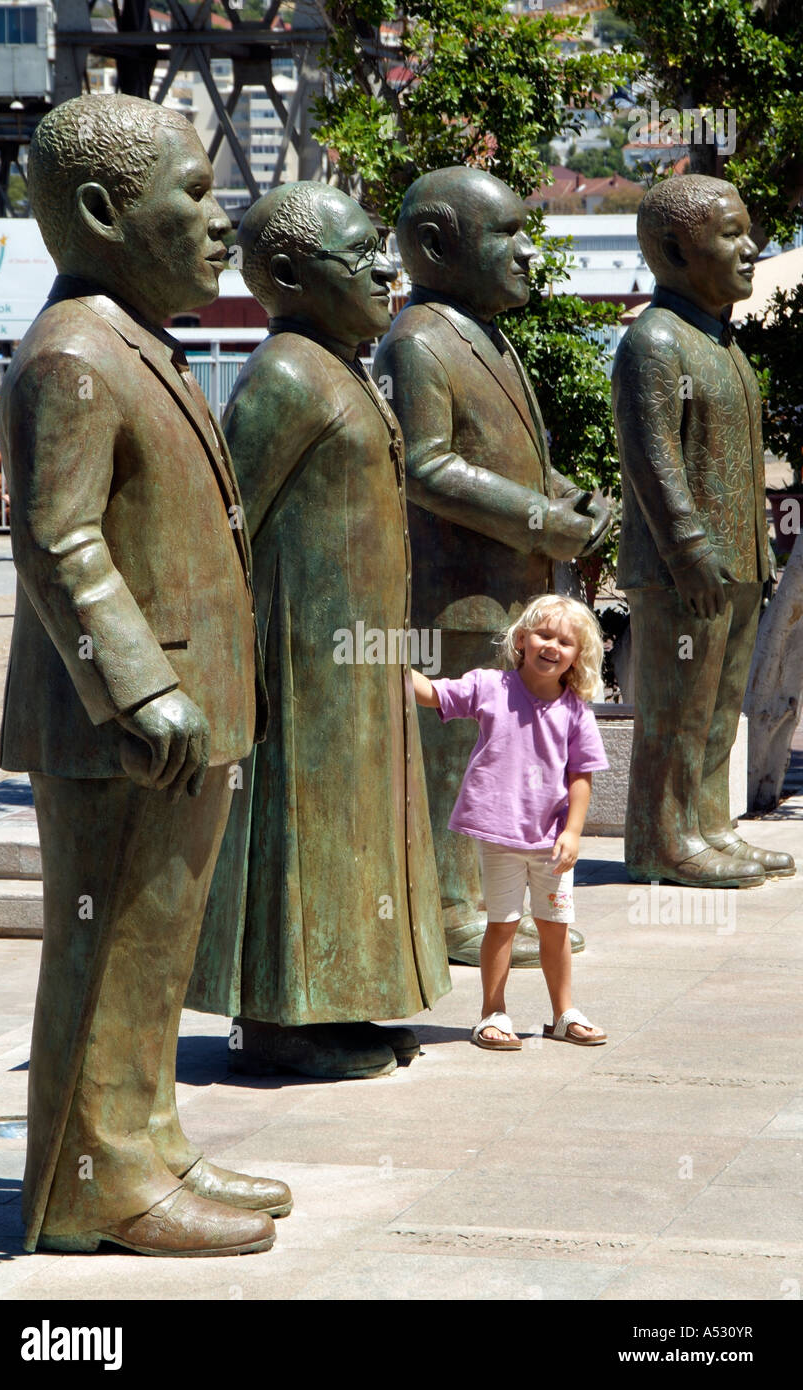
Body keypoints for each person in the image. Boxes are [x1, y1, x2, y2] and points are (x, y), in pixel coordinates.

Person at [0, 93, 288, 1257]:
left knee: (155, 947)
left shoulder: (133, 338)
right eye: (196, 194)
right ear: (104, 211)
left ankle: (146, 1136)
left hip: (183, 712)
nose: (222, 223)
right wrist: (135, 686)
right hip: (123, 721)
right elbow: (57, 539)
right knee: (106, 936)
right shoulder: (72, 353)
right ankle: (87, 1180)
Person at [187, 182, 451, 1080]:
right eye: (360, 259)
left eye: (385, 251)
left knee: (351, 829)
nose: (386, 271)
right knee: (302, 829)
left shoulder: (340, 365)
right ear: (293, 275)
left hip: (356, 651)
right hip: (298, 657)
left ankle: (333, 1000)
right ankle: (278, 1020)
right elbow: (229, 526)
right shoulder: (288, 374)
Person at [374, 166, 611, 968]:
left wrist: (565, 497)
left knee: (500, 758)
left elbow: (508, 459)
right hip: (457, 599)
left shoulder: (486, 337)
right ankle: (448, 907)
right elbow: (428, 468)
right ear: (438, 245)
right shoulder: (417, 340)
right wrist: (545, 521)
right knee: (456, 762)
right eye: (506, 232)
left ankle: (485, 902)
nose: (526, 251)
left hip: (507, 595)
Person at [613, 175, 794, 887]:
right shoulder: (655, 342)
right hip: (680, 567)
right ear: (673, 250)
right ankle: (663, 839)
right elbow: (649, 456)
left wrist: (755, 554)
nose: (751, 249)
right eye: (730, 234)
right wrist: (688, 547)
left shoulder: (723, 345)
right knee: (677, 710)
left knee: (720, 707)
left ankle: (709, 825)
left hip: (738, 561)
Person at [413, 595, 609, 1048]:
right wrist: (387, 666)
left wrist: (574, 832)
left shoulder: (576, 711)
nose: (552, 646)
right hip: (500, 837)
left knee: (554, 927)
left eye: (565, 641)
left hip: (552, 842)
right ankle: (492, 1012)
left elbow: (581, 778)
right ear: (521, 639)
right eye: (543, 635)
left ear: (577, 656)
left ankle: (563, 1013)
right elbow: (435, 694)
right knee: (501, 924)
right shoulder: (490, 687)